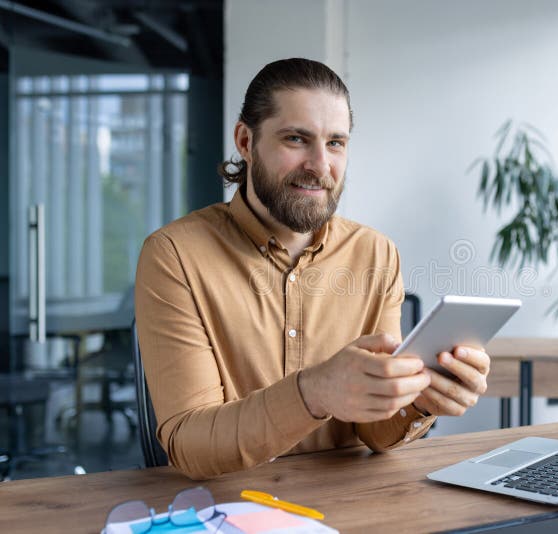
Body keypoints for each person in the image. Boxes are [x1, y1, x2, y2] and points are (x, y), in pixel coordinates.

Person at [135, 58, 491, 480]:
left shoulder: (377, 253)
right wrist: (314, 392)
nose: (320, 165)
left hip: (350, 506)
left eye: (336, 143)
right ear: (245, 142)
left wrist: (420, 398)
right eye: (296, 139)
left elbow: (375, 432)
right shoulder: (174, 255)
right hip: (226, 511)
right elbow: (189, 443)